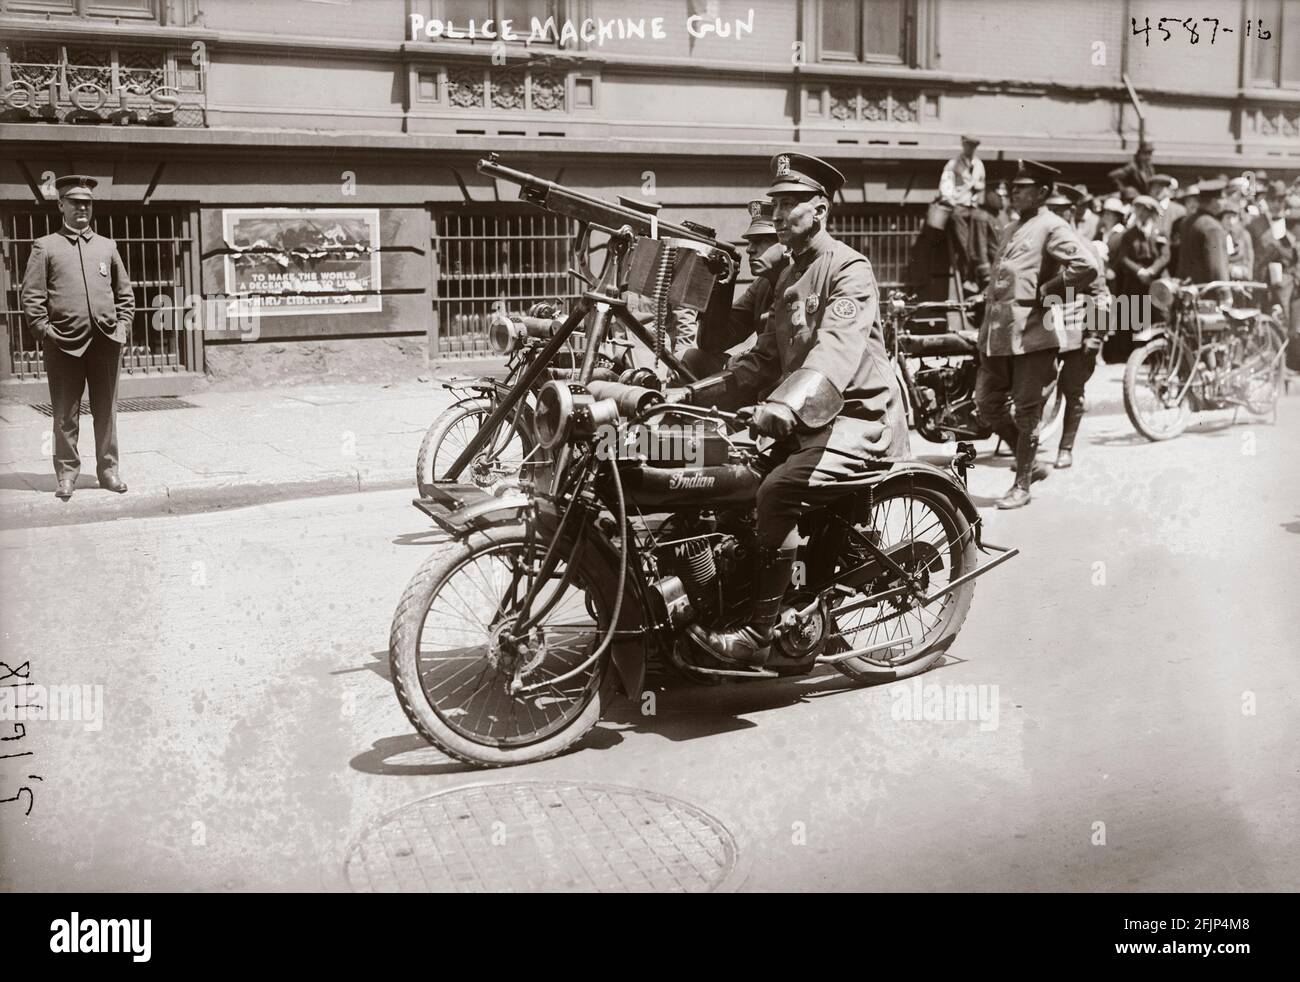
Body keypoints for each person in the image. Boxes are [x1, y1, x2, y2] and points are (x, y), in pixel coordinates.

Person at [665, 152, 909, 667]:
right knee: (720, 472)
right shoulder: (786, 277)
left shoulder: (848, 268)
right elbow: (755, 362)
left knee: (775, 489)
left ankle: (760, 628)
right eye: (772, 204)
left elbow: (834, 352)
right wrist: (691, 396)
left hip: (858, 418)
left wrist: (783, 407)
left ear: (819, 209)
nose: (776, 215)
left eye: (789, 204)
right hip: (808, 420)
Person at [976, 160, 1098, 509]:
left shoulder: (1052, 225)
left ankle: (1022, 484)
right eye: (1013, 187)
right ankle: (1029, 459)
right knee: (986, 405)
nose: (1014, 191)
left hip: (1033, 336)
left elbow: (1085, 266)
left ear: (1042, 192)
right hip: (998, 336)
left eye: (1022, 187)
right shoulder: (1013, 226)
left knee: (1028, 412)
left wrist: (1050, 289)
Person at [21, 176, 133, 501]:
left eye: (87, 203)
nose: (82, 208)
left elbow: (124, 294)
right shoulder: (45, 246)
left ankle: (108, 470)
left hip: (105, 344)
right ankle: (66, 475)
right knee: (64, 415)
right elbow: (31, 297)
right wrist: (45, 330)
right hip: (62, 345)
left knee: (106, 411)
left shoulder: (107, 246)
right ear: (61, 205)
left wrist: (122, 328)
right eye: (75, 202)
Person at [681, 199, 788, 378]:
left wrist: (740, 359)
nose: (749, 250)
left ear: (786, 244)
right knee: (691, 359)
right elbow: (712, 343)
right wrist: (724, 281)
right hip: (760, 372)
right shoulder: (762, 286)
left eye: (761, 241)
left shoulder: (801, 280)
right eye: (750, 241)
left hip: (786, 382)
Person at [938, 135, 985, 288]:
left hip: (973, 207)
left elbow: (982, 182)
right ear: (963, 145)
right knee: (965, 244)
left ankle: (978, 275)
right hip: (959, 207)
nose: (970, 149)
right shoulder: (953, 163)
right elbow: (946, 182)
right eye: (968, 146)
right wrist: (950, 199)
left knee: (979, 240)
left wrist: (977, 187)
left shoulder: (979, 164)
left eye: (973, 146)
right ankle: (969, 277)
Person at [1177, 179, 1232, 301]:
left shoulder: (1187, 221)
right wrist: (1225, 294)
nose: (1224, 203)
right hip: (1207, 295)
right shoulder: (1212, 227)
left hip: (1186, 291)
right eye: (1222, 199)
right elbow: (1217, 266)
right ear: (1214, 202)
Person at [968, 189, 1005, 290]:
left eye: (1003, 196)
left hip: (1003, 269)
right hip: (990, 272)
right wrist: (986, 273)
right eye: (999, 195)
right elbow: (979, 246)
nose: (1002, 198)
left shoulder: (998, 216)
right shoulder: (982, 216)